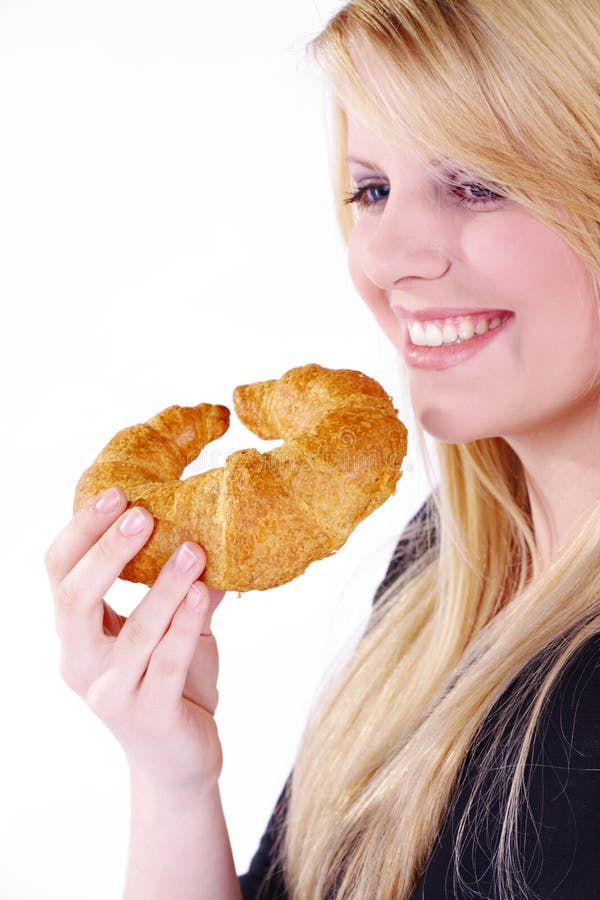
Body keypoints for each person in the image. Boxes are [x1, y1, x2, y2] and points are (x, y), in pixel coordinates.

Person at [45, 1, 600, 897]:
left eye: (475, 184)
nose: (388, 256)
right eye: (372, 190)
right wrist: (171, 775)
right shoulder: (445, 564)